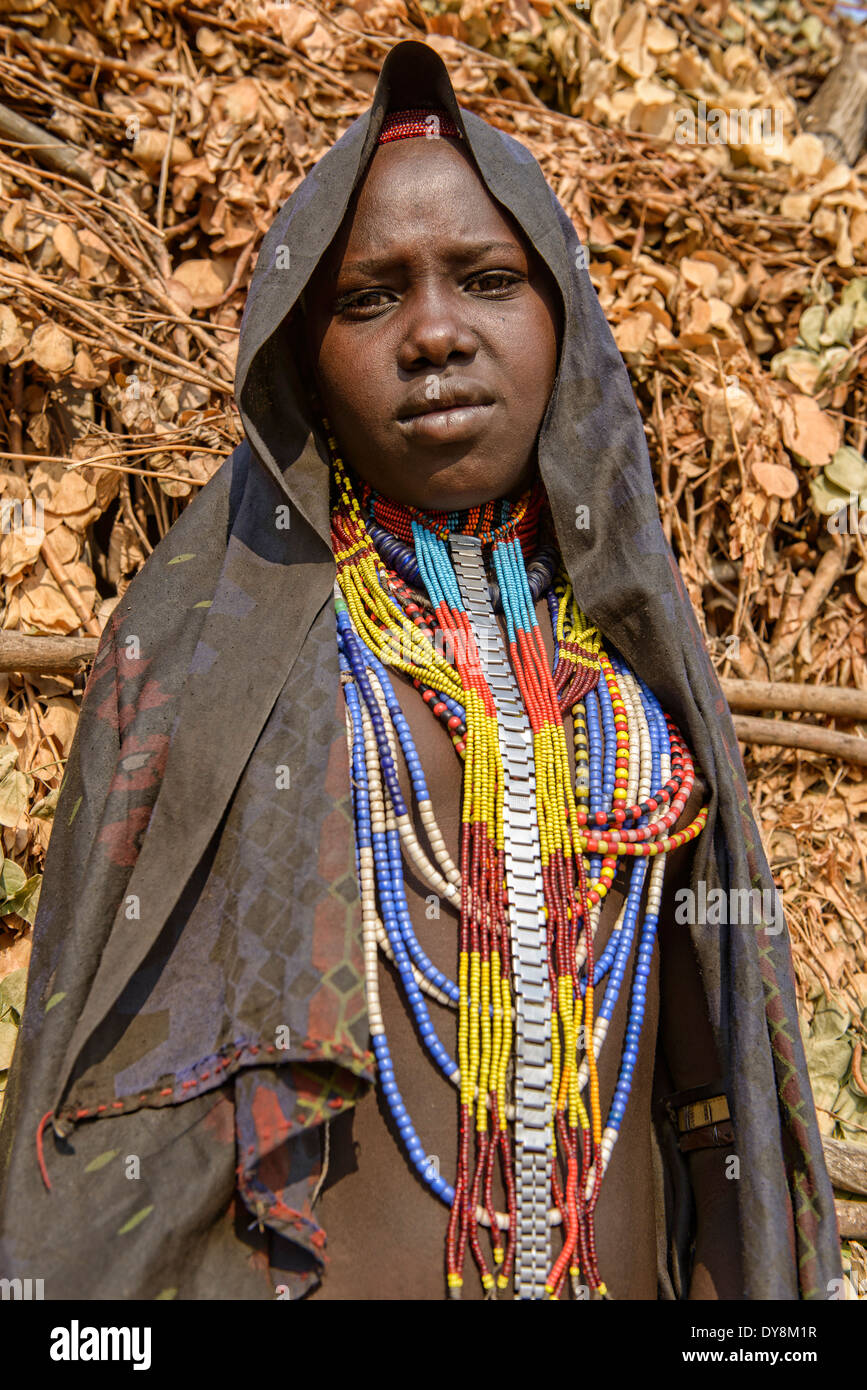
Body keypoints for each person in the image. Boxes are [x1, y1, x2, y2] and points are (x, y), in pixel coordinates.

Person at [0, 39, 840, 1301]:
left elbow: (714, 1103)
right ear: (300, 355)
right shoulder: (201, 658)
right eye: (369, 297)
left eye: (488, 278)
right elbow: (108, 1098)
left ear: (564, 318)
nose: (436, 332)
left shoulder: (638, 669)